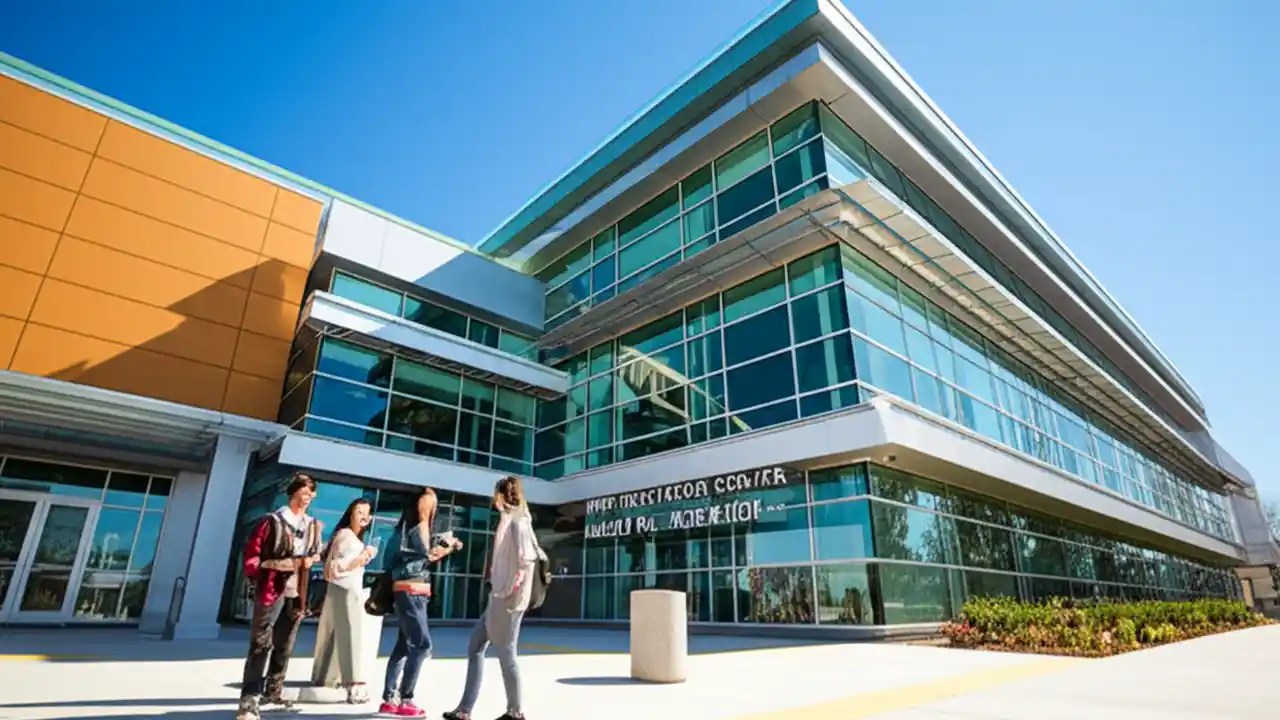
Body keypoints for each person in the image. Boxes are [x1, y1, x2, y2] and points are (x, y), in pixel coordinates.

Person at [444, 476, 543, 720]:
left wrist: (508, 591)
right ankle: (465, 709)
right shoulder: (509, 520)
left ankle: (515, 712)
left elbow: (526, 561)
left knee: (507, 656)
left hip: (507, 602)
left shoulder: (519, 522)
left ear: (500, 496)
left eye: (494, 495)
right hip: (497, 599)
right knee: (476, 645)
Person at [236, 472, 324, 720]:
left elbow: (314, 554)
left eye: (311, 492)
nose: (308, 497)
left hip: (297, 592)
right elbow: (252, 557)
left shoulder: (312, 525)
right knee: (260, 643)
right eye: (304, 491)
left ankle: (273, 691)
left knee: (284, 644)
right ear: (292, 492)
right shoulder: (272, 521)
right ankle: (249, 699)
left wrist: (313, 558)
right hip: (272, 589)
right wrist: (276, 567)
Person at [379, 487, 463, 718]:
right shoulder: (419, 527)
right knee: (422, 645)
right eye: (429, 502)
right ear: (420, 504)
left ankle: (389, 698)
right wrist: (448, 547)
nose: (432, 507)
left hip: (408, 591)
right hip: (412, 591)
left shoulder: (403, 530)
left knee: (404, 645)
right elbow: (427, 557)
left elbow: (415, 556)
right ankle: (406, 699)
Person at [311, 497, 378, 703]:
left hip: (340, 589)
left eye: (367, 512)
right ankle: (353, 683)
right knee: (351, 635)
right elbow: (335, 567)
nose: (364, 516)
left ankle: (323, 678)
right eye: (359, 512)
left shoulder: (348, 536)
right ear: (351, 514)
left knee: (331, 635)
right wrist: (364, 556)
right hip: (345, 589)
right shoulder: (346, 536)